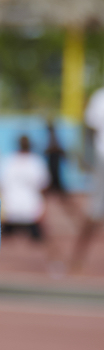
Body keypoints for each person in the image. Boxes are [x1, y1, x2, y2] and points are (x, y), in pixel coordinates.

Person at [71, 86, 104, 272]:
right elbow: (90, 130)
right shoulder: (100, 97)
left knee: (95, 211)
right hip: (103, 160)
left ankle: (77, 260)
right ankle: (77, 260)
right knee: (95, 211)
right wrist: (88, 157)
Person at [0, 134, 49, 243]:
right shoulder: (36, 161)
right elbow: (44, 187)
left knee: (2, 244)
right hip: (31, 211)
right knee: (41, 243)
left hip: (10, 211)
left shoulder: (7, 160)